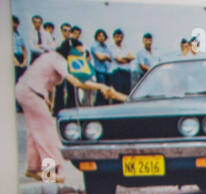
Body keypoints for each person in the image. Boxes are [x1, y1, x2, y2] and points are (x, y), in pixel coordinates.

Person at [16, 48, 124, 183]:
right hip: (31, 93)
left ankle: (32, 168)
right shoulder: (59, 61)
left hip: (28, 90)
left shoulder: (51, 57)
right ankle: (49, 174)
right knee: (46, 133)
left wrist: (49, 100)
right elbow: (76, 82)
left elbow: (48, 82)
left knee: (35, 132)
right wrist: (101, 86)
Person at [89, 28, 112, 103]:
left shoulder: (107, 47)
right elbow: (100, 57)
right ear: (96, 37)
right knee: (101, 90)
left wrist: (105, 57)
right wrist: (106, 57)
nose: (101, 37)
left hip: (107, 71)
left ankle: (105, 105)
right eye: (99, 36)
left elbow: (111, 58)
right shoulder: (94, 46)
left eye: (103, 36)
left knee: (107, 90)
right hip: (99, 71)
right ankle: (99, 105)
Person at [108, 28, 133, 95]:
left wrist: (124, 58)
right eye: (117, 37)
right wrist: (127, 59)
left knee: (127, 92)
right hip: (117, 73)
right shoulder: (111, 48)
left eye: (121, 37)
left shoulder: (125, 47)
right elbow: (119, 60)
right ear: (114, 37)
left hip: (127, 72)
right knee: (118, 92)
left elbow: (132, 57)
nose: (119, 38)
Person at [13, 16, 28, 86]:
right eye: (13, 22)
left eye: (16, 23)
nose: (14, 25)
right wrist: (14, 60)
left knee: (23, 79)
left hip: (20, 57)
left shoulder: (19, 35)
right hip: (13, 57)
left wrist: (25, 60)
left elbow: (24, 49)